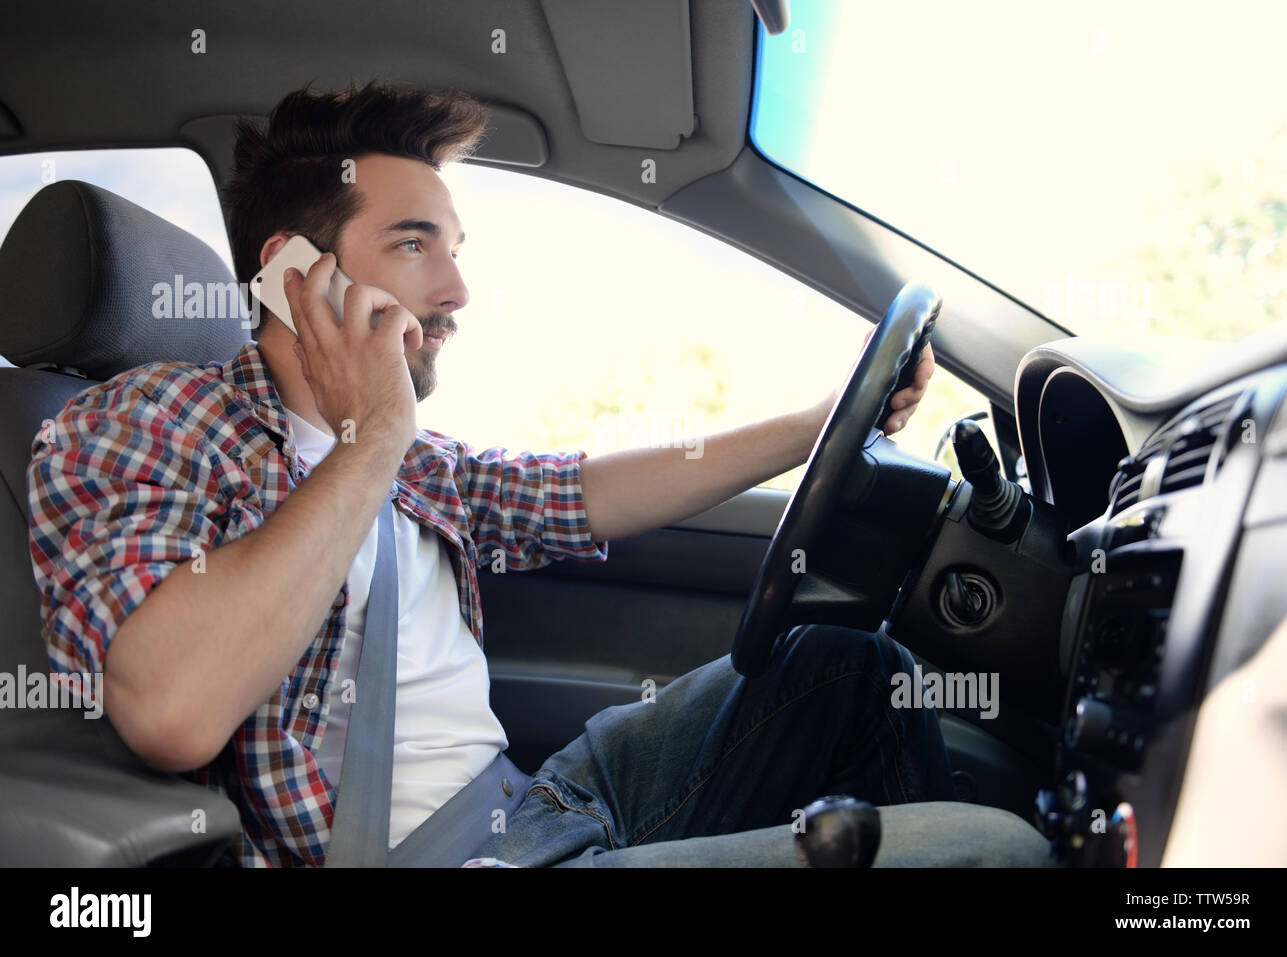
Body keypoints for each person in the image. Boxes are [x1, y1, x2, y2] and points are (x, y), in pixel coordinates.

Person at [27, 81, 1047, 867]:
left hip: (538, 801)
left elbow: (579, 490)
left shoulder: (418, 459)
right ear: (297, 270)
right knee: (995, 856)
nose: (458, 286)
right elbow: (170, 708)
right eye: (413, 244)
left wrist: (815, 427)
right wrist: (367, 440)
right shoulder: (146, 422)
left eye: (455, 248)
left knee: (844, 663)